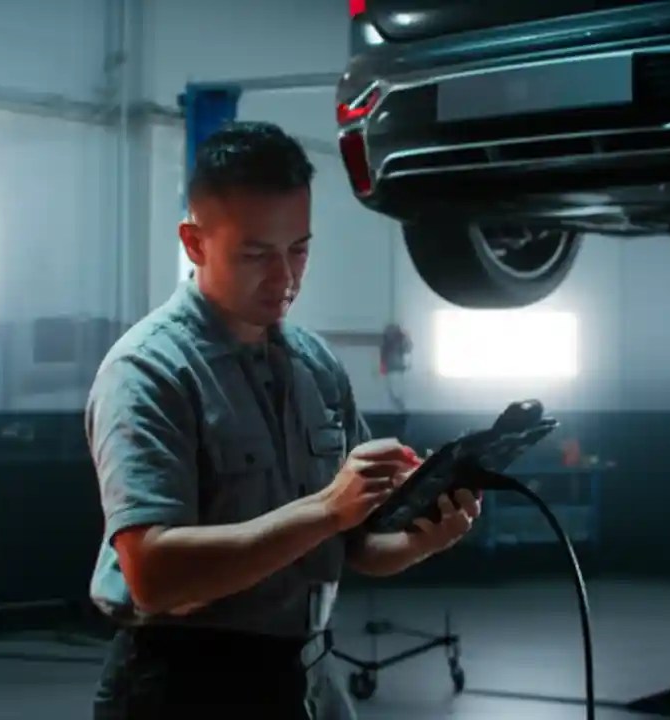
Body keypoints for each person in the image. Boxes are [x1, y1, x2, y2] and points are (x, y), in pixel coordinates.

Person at [86, 121, 483, 719]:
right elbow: (154, 574)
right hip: (186, 688)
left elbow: (355, 544)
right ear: (194, 243)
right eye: (256, 254)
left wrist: (419, 539)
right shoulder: (148, 371)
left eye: (299, 249)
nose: (285, 278)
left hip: (309, 674)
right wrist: (326, 509)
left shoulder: (315, 364)